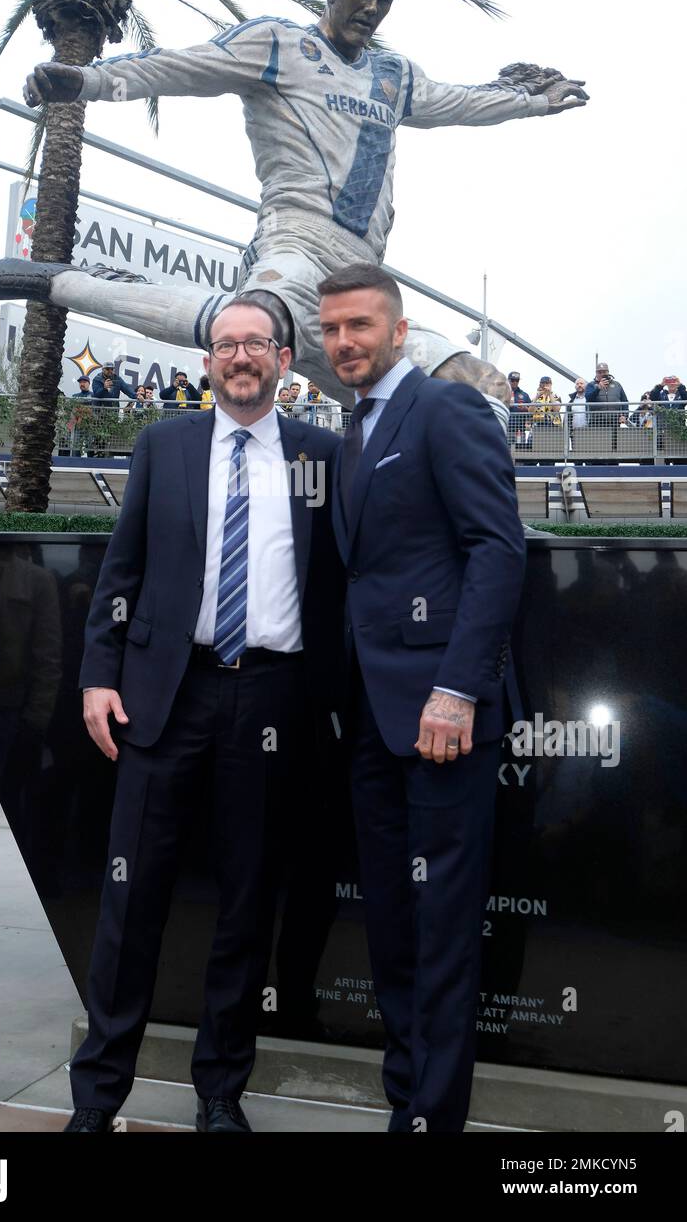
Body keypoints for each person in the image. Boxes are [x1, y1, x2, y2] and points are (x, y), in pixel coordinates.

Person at [0, 0, 588, 424]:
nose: (371, 6)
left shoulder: (395, 74)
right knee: (249, 329)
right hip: (292, 248)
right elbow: (184, 66)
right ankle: (64, 282)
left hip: (360, 278)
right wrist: (90, 81)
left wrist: (531, 99)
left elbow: (462, 102)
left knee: (480, 387)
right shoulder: (279, 45)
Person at [65, 291, 343, 1133]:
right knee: (131, 902)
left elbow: (349, 578)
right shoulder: (164, 446)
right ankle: (98, 1099)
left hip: (271, 700)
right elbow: (122, 571)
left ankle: (219, 1093)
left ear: (283, 361)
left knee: (245, 903)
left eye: (255, 343)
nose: (239, 358)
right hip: (163, 697)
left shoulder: (324, 456)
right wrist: (97, 673)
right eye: (224, 345)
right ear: (208, 362)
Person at [318, 262, 526, 1133]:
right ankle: (405, 1097)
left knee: (441, 930)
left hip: (441, 718)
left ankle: (432, 1120)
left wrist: (453, 688)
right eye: (331, 331)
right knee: (393, 924)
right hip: (370, 718)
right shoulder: (350, 430)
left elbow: (496, 548)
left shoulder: (443, 408)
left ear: (399, 330)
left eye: (359, 327)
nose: (343, 344)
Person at [507, 372, 532, 448]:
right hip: (505, 429)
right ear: (508, 380)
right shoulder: (502, 393)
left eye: (517, 380)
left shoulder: (524, 395)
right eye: (512, 380)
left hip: (519, 429)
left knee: (520, 453)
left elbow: (531, 411)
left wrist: (525, 409)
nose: (515, 382)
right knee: (504, 454)